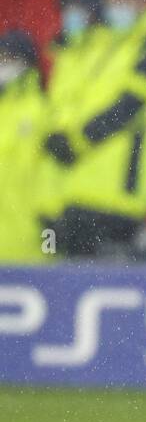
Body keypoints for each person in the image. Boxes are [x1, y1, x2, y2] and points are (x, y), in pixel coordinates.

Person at [42, 0, 146, 256]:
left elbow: (129, 107)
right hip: (74, 188)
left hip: (119, 191)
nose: (117, 7)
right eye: (112, 1)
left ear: (144, 1)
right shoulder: (97, 46)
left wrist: (75, 143)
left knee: (102, 278)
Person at [0, 29, 58, 263]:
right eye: (2, 58)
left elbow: (52, 169)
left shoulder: (44, 111)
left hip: (29, 236)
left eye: (11, 58)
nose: (5, 65)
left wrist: (50, 215)